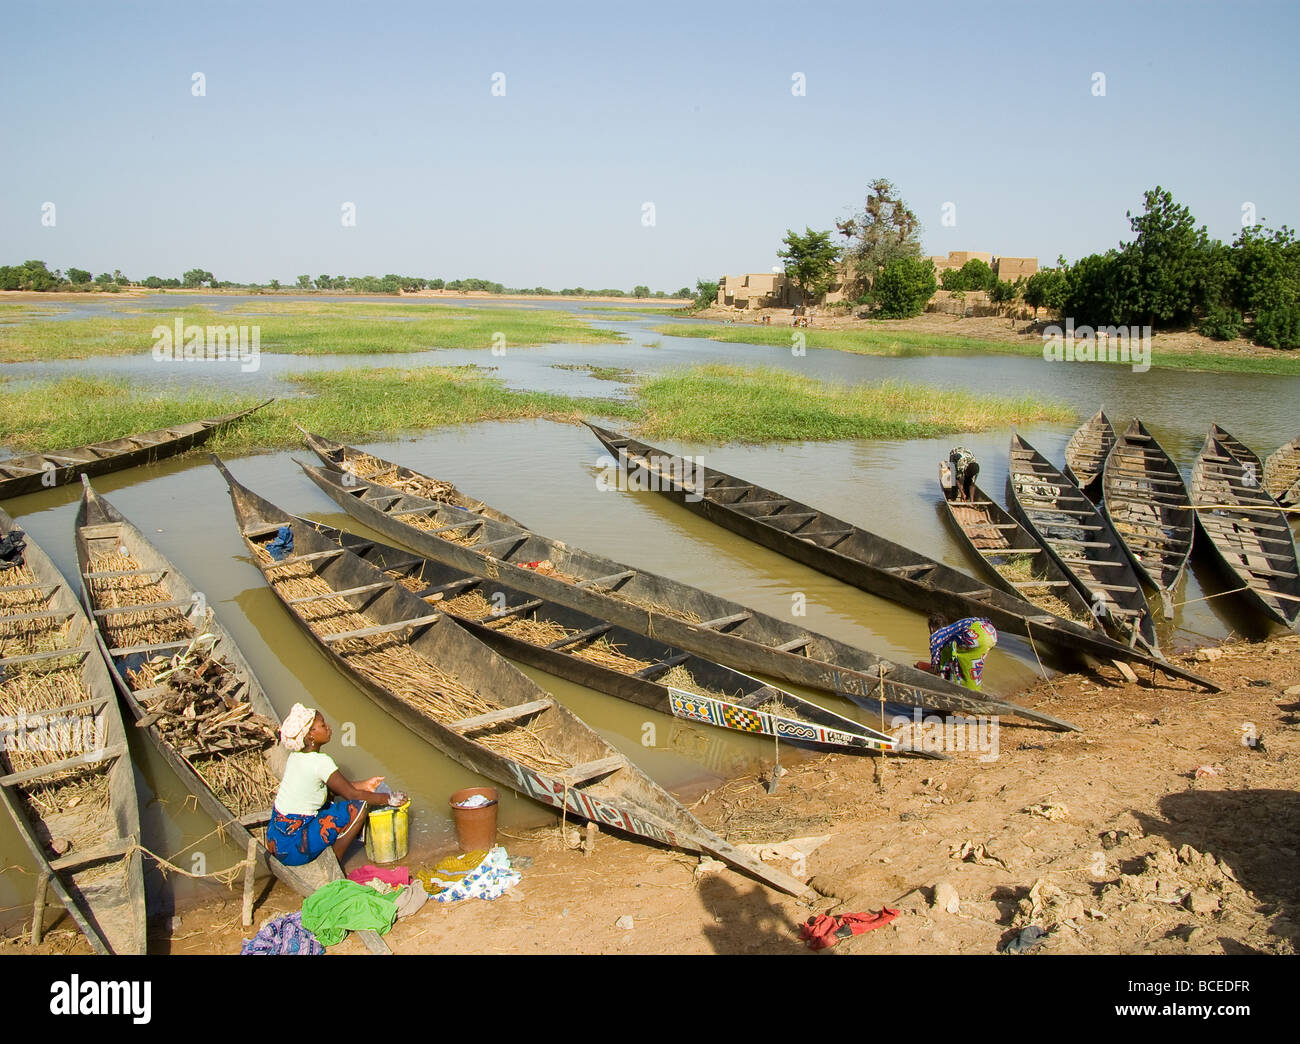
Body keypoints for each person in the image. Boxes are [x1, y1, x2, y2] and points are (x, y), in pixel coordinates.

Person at [266, 704, 401, 866]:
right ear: (310, 736)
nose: (328, 727)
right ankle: (336, 859)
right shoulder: (322, 762)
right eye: (323, 725)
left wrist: (365, 785)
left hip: (275, 840)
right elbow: (352, 795)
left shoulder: (296, 757)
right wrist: (388, 798)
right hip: (293, 851)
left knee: (330, 796)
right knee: (358, 808)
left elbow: (333, 787)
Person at [917, 614, 998, 691]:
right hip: (990, 632)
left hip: (976, 634)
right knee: (969, 664)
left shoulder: (937, 636)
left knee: (947, 655)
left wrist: (920, 672)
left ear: (931, 628)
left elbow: (935, 669)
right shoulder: (953, 633)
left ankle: (960, 687)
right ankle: (972, 689)